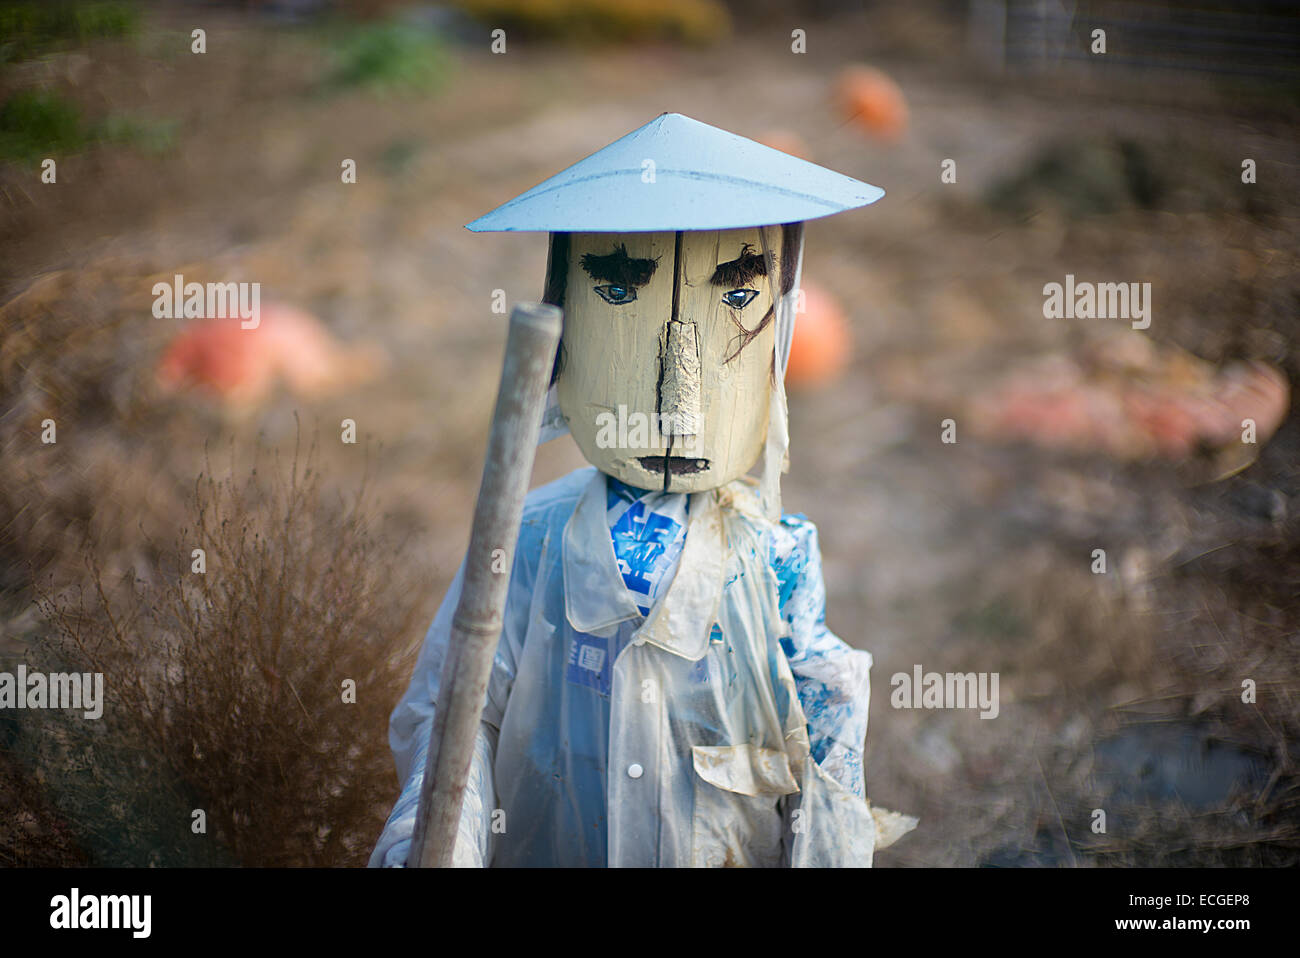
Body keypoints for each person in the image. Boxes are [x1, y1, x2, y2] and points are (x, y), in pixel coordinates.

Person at [371, 113, 915, 867]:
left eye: (735, 300)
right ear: (570, 331)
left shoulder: (775, 558)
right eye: (619, 299)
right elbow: (458, 720)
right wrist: (434, 846)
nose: (677, 394)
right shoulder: (528, 540)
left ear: (779, 330)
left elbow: (819, 742)